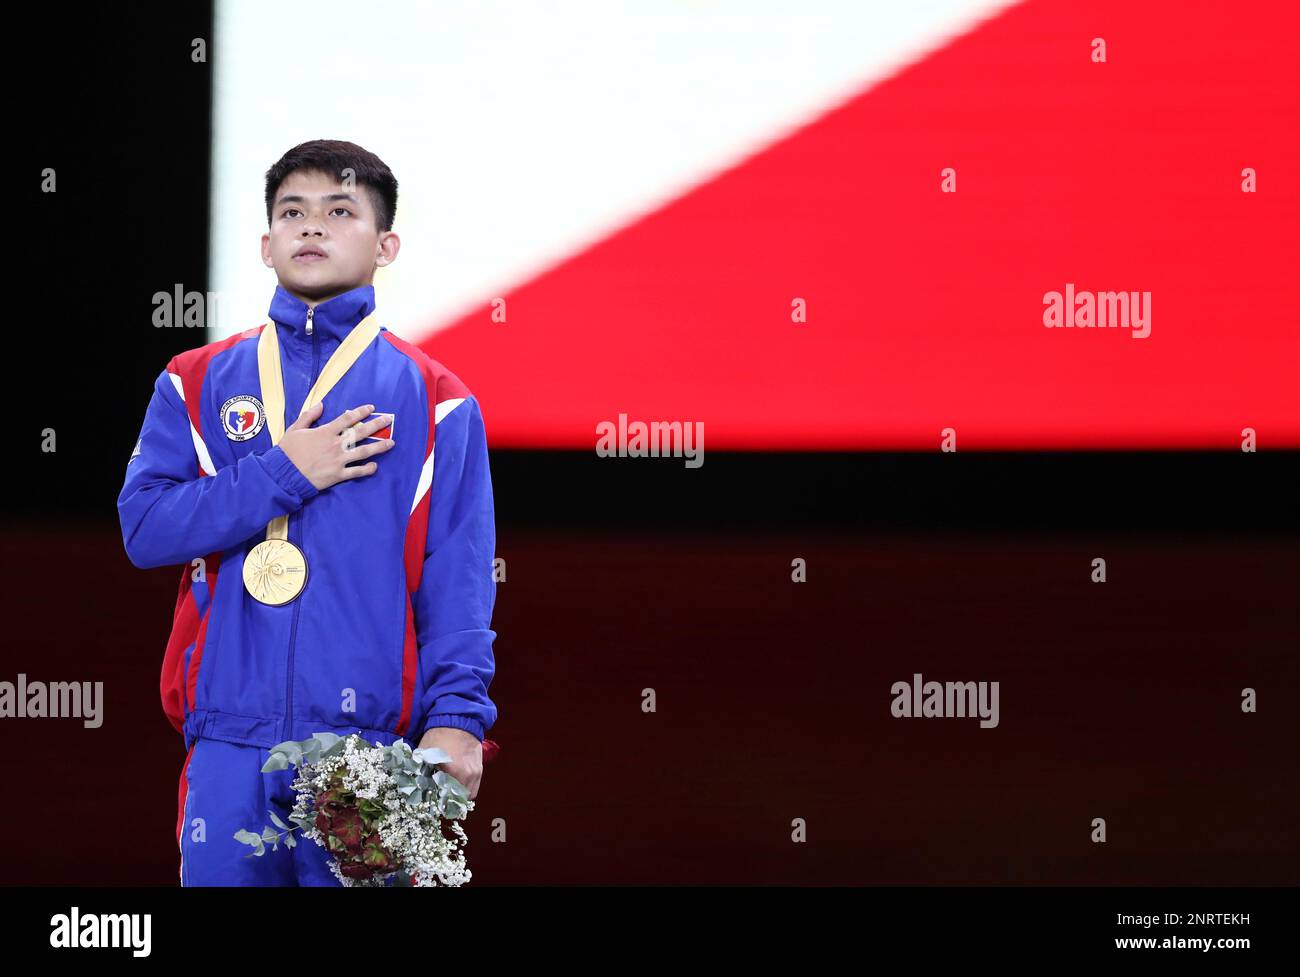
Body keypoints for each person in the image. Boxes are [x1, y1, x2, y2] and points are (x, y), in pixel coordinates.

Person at [117, 139, 499, 885]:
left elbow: (457, 578)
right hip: (227, 739)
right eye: (293, 212)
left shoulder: (438, 398)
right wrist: (285, 472)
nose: (311, 226)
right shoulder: (194, 382)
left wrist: (457, 717)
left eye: (339, 210)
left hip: (370, 751)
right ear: (266, 244)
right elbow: (145, 529)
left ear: (386, 244)